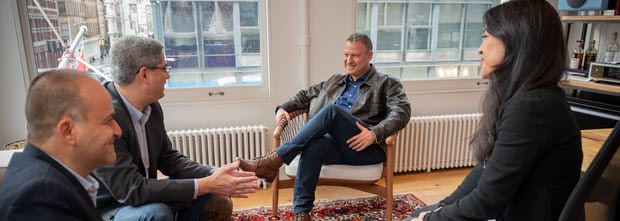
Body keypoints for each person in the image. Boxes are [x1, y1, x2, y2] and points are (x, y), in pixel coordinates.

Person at [406, 0, 583, 220]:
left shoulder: (532, 107)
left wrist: (432, 219)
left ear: (517, 40)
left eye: (486, 37)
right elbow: (486, 169)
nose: (480, 48)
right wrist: (441, 207)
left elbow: (487, 202)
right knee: (422, 213)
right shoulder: (529, 99)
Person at [238, 33, 411, 220]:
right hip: (334, 147)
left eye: (355, 55)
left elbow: (401, 112)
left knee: (332, 111)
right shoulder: (335, 81)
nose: (349, 60)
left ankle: (274, 160)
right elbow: (304, 95)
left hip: (365, 148)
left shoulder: (387, 84)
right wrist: (283, 108)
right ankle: (301, 213)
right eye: (346, 54)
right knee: (314, 144)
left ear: (369, 56)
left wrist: (374, 133)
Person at [93, 35, 259, 221]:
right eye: (164, 68)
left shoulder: (151, 107)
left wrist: (214, 174)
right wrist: (206, 184)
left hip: (143, 195)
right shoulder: (104, 115)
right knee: (158, 213)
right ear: (144, 74)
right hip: (113, 208)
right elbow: (132, 190)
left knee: (216, 196)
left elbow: (169, 159)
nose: (168, 75)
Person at [0, 69, 122, 220]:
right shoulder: (40, 198)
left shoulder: (51, 182)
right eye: (108, 120)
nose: (118, 131)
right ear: (68, 131)